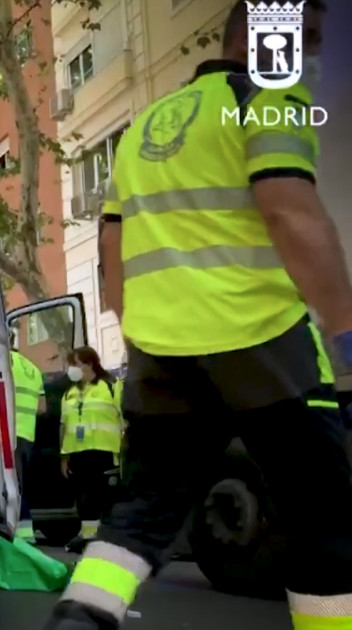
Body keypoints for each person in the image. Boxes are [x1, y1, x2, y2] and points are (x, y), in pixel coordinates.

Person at [45, 3, 352, 629]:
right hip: (262, 339)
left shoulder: (145, 127)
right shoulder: (268, 100)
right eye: (307, 38)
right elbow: (288, 210)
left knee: (144, 512)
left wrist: (140, 330)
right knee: (323, 512)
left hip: (165, 349)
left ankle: (78, 622)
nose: (313, 55)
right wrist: (344, 324)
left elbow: (112, 243)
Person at [57, 346, 121, 549]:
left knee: (107, 497)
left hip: (105, 451)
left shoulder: (111, 386)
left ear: (90, 364)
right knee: (84, 499)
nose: (71, 369)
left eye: (75, 364)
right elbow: (64, 427)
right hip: (78, 452)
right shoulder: (69, 394)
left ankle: (110, 540)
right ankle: (89, 539)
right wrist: (64, 457)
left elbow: (125, 418)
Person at [9, 335, 46, 543]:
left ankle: (16, 532)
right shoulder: (33, 369)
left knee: (10, 485)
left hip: (7, 434)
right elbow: (42, 408)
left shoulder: (2, 363)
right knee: (21, 484)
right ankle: (26, 532)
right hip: (27, 435)